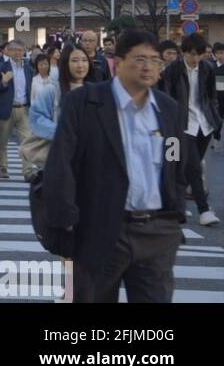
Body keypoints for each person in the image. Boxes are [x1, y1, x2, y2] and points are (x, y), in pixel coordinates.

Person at [44, 29, 190, 303]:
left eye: (155, 60)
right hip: (98, 229)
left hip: (156, 232)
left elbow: (175, 160)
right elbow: (61, 163)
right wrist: (66, 223)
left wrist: (176, 210)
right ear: (118, 62)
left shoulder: (168, 110)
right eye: (140, 59)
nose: (148, 67)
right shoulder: (85, 103)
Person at [158, 33, 221, 226]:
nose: (194, 58)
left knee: (185, 168)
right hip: (181, 126)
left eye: (199, 54)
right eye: (191, 54)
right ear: (183, 52)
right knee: (191, 167)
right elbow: (166, 97)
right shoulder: (172, 70)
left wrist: (215, 119)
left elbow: (211, 97)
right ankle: (204, 210)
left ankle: (176, 204)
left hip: (204, 125)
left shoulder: (207, 69)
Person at [30, 45, 93, 145]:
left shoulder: (93, 90)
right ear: (65, 63)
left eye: (84, 60)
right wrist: (64, 132)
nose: (80, 65)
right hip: (61, 148)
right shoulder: (52, 89)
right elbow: (36, 118)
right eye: (75, 60)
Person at [0, 39, 35, 180]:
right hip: (6, 108)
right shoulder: (0, 67)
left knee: (27, 141)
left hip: (23, 109)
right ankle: (2, 168)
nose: (17, 52)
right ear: (8, 51)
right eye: (14, 49)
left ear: (24, 51)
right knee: (3, 141)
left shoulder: (29, 69)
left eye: (20, 50)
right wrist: (4, 82)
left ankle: (28, 171)